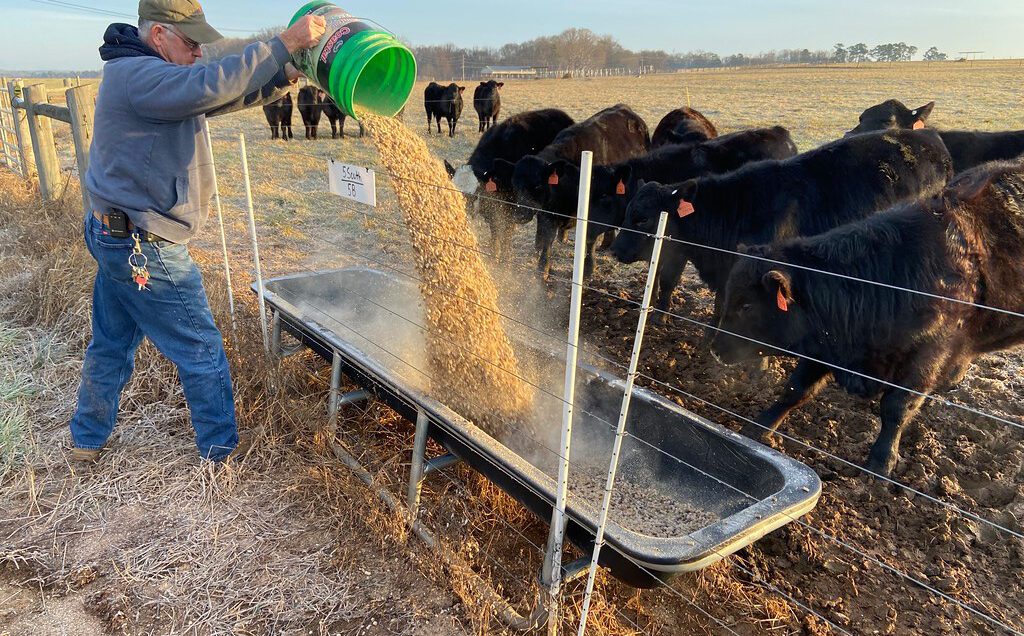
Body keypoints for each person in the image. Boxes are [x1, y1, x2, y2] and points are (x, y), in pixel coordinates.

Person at [69, 0, 326, 463]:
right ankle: (220, 454)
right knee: (201, 349)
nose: (198, 54)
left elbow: (217, 97)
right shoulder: (139, 76)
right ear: (159, 35)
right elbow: (207, 84)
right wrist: (283, 42)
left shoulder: (149, 77)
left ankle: (86, 439)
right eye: (190, 44)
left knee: (111, 343)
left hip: (117, 236)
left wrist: (284, 74)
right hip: (143, 245)